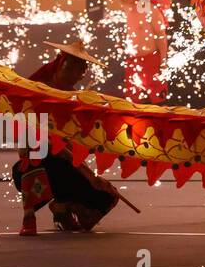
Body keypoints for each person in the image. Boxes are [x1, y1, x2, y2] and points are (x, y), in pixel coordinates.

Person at [13, 42, 123, 236]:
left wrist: (92, 176)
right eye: (68, 67)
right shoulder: (39, 91)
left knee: (109, 196)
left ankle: (62, 207)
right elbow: (35, 138)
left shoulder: (76, 100)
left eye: (77, 70)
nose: (72, 73)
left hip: (67, 163)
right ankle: (29, 216)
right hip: (38, 161)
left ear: (82, 75)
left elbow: (76, 144)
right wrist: (87, 174)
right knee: (39, 156)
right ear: (59, 64)